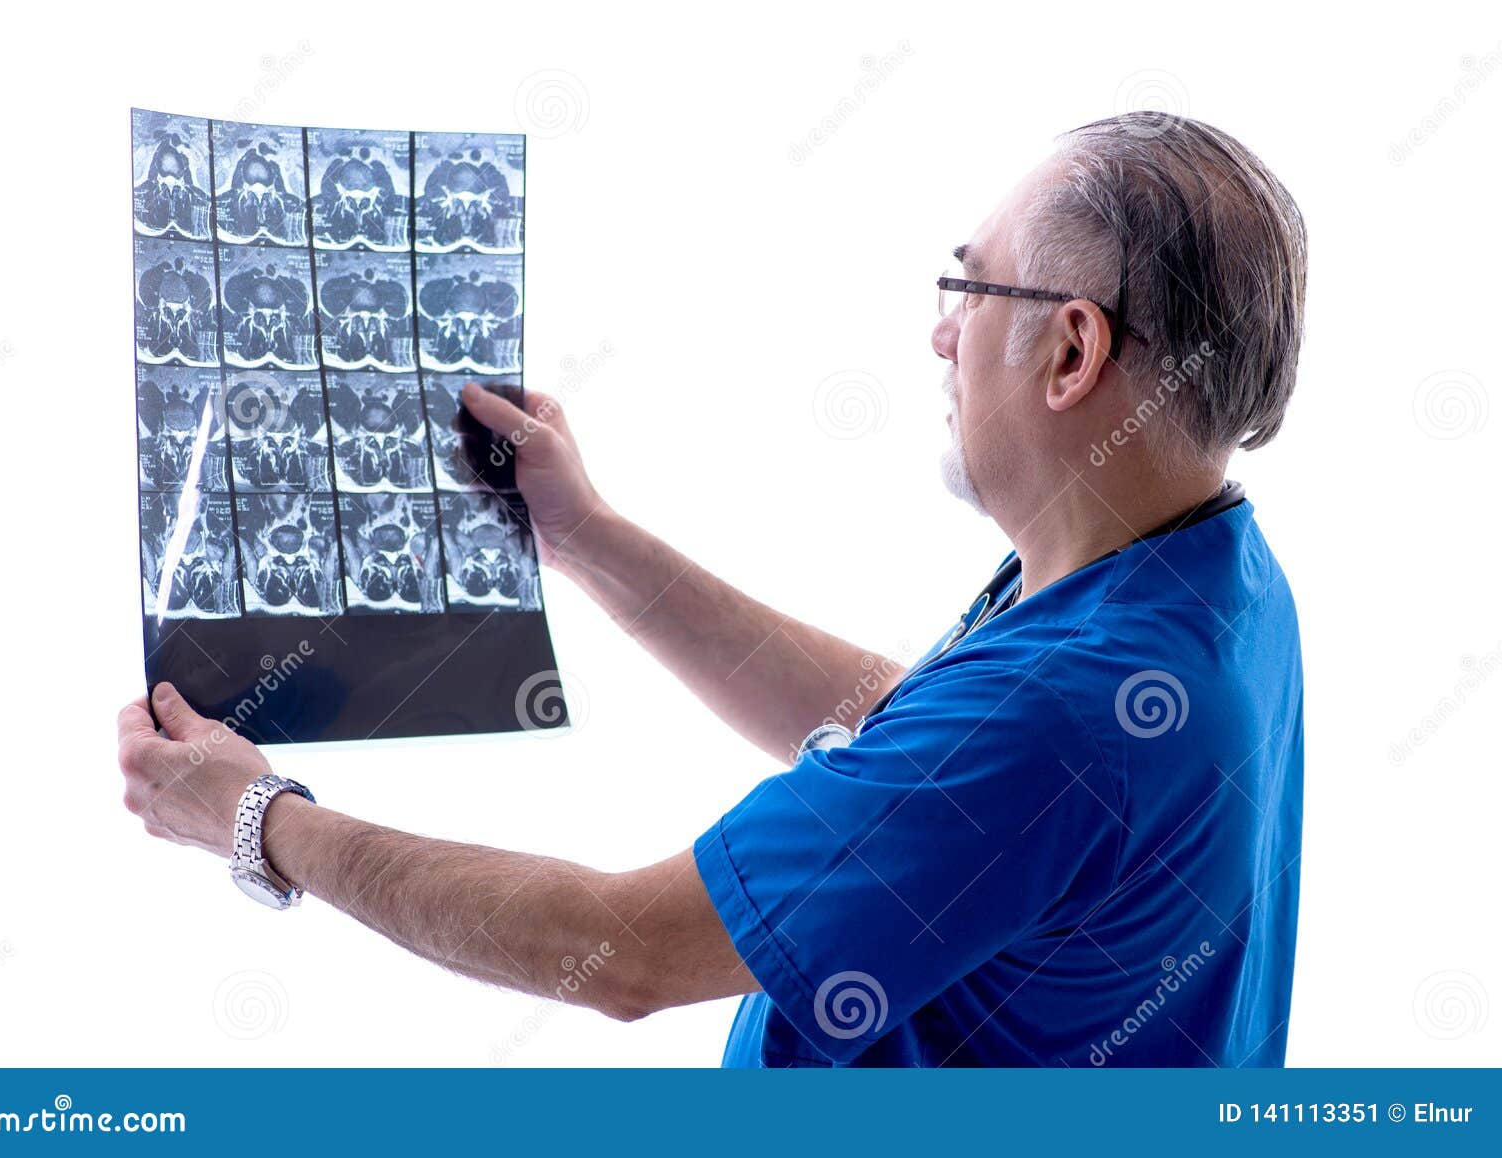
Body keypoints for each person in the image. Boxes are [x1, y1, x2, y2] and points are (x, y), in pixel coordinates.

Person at [117, 112, 1308, 1067]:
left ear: (1071, 353)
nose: (940, 337)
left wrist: (259, 821)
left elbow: (620, 952)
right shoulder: (1203, 573)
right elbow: (925, 741)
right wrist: (583, 537)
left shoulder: (1063, 709)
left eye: (971, 287)